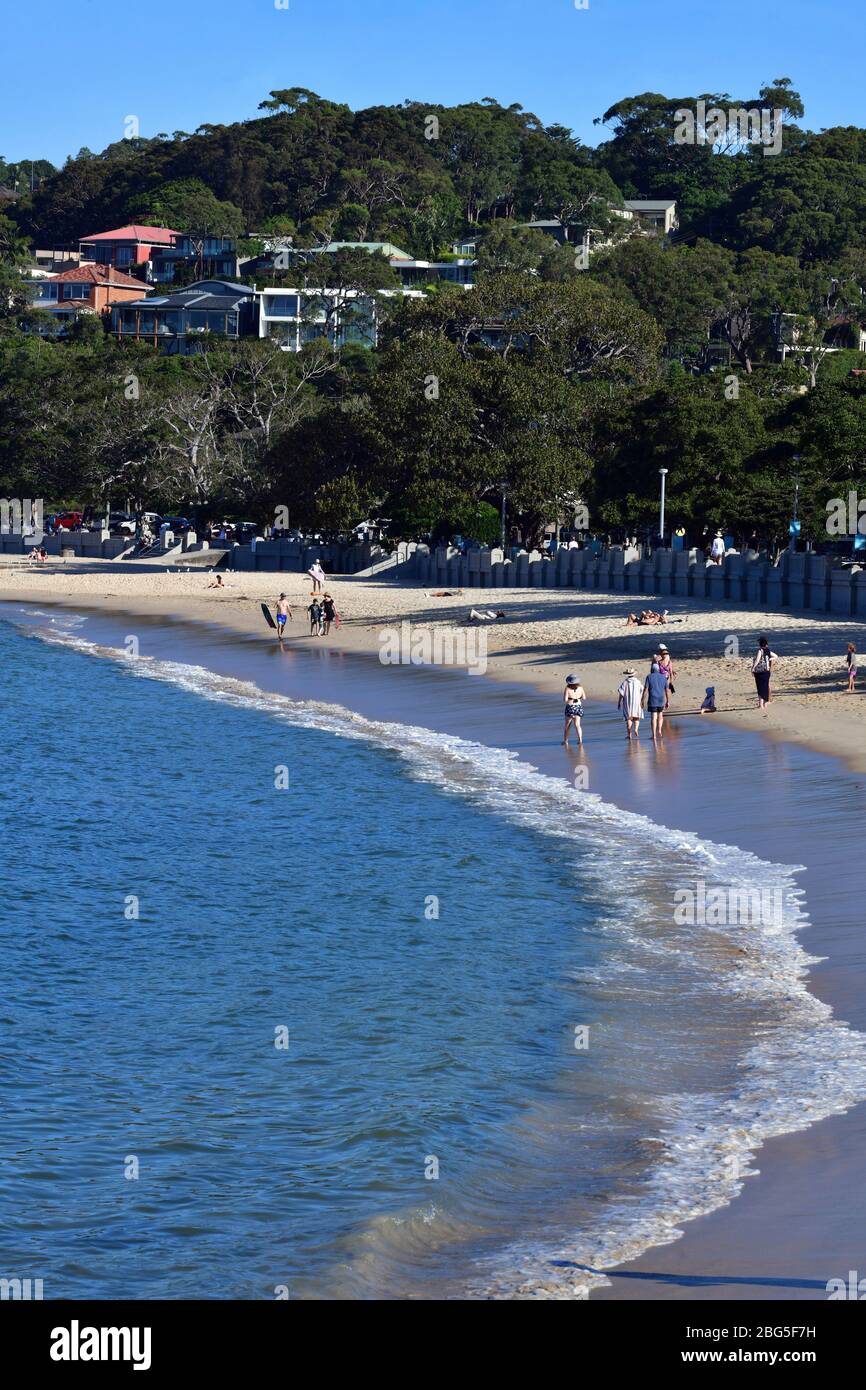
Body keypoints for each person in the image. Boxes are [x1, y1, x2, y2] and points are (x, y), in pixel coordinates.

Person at [642, 660, 669, 741]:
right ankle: (660, 731)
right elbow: (667, 690)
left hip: (652, 699)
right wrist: (667, 700)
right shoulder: (664, 677)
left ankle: (653, 735)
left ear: (652, 669)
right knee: (660, 715)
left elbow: (646, 690)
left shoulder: (649, 677)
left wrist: (642, 700)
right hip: (661, 699)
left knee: (654, 717)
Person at [751, 636, 777, 709]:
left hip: (760, 672)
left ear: (760, 645)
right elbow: (776, 656)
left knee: (760, 688)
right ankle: (766, 703)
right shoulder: (768, 651)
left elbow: (757, 660)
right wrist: (770, 659)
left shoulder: (760, 651)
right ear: (766, 644)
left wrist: (753, 668)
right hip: (767, 671)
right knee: (765, 687)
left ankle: (761, 705)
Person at [617, 667, 643, 741]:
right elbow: (642, 690)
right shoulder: (638, 681)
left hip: (628, 702)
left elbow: (621, 693)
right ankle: (636, 729)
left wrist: (619, 702)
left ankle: (629, 735)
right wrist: (641, 699)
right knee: (636, 717)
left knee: (629, 718)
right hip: (637, 701)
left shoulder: (625, 682)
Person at [562, 673, 586, 748]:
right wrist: (578, 698)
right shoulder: (581, 688)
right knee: (578, 725)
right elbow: (584, 698)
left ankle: (566, 741)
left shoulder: (567, 689)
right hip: (578, 706)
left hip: (570, 707)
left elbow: (565, 700)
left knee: (567, 725)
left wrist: (570, 698)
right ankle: (580, 740)